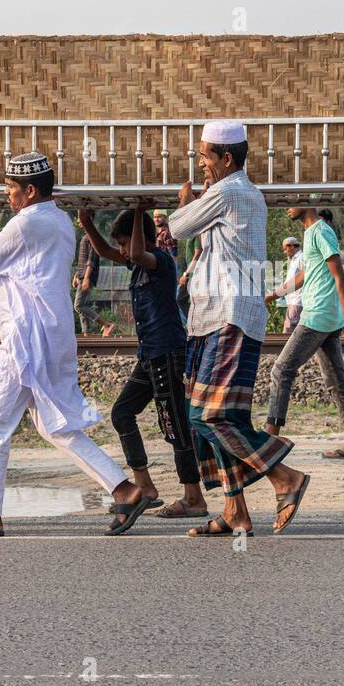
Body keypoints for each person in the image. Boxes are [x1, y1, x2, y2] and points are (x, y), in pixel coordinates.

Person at [0, 152, 148, 537]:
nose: (7, 195)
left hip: (27, 338)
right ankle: (125, 489)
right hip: (50, 335)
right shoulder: (58, 221)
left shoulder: (26, 225)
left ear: (29, 190)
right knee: (53, 426)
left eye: (10, 189)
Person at [167, 119, 311, 538]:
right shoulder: (238, 193)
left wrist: (184, 202)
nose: (201, 164)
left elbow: (177, 228)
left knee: (206, 416)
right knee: (221, 417)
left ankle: (285, 477)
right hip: (216, 318)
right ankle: (235, 511)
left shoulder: (228, 191)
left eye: (204, 157)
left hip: (227, 317)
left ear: (226, 158)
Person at [78, 202, 205, 519]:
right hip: (150, 355)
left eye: (126, 240)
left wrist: (137, 211)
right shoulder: (136, 264)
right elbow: (109, 251)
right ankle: (145, 486)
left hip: (169, 352)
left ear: (143, 237)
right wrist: (86, 224)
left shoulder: (159, 260)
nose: (122, 249)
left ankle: (194, 498)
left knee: (175, 425)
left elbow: (135, 253)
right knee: (122, 413)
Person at [264, 206, 344, 460]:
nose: (287, 205)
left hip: (318, 315)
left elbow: (339, 275)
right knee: (335, 379)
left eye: (292, 198)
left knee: (281, 370)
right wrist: (276, 293)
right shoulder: (311, 233)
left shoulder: (321, 231)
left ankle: (269, 440)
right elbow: (305, 274)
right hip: (324, 316)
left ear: (307, 200)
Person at [73, 216, 115, 336]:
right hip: (82, 275)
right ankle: (86, 333)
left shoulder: (91, 238)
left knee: (79, 305)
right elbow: (83, 259)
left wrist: (86, 278)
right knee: (82, 305)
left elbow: (91, 260)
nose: (78, 221)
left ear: (88, 218)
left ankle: (106, 324)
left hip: (87, 276)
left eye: (80, 218)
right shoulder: (86, 237)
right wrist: (76, 275)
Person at [270, 235, 304, 330]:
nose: (285, 252)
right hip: (292, 302)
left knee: (289, 331)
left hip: (297, 301)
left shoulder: (301, 258)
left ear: (292, 246)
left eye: (286, 249)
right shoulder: (293, 260)